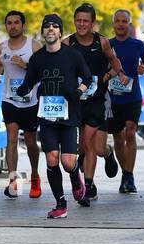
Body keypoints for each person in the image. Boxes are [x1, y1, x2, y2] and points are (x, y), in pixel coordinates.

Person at [15, 14, 91, 220]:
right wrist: (22, 90)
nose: (50, 29)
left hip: (69, 116)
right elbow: (29, 81)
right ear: (43, 31)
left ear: (59, 31)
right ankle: (60, 203)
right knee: (51, 159)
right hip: (47, 115)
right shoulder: (37, 58)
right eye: (46, 26)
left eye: (54, 26)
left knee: (67, 162)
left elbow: (87, 77)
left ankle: (76, 176)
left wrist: (79, 91)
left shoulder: (72, 54)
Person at [64, 3, 125, 205]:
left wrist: (107, 76)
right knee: (82, 145)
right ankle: (90, 180)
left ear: (93, 23)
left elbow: (116, 64)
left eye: (85, 21)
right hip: (75, 101)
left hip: (97, 100)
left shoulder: (102, 42)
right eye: (78, 20)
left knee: (94, 146)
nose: (81, 24)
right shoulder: (67, 43)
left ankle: (102, 162)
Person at [0, 9, 42, 198]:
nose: (13, 26)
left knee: (30, 142)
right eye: (9, 23)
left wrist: (25, 66)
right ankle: (12, 181)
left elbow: (41, 71)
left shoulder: (34, 45)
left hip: (30, 100)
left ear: (23, 25)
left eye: (16, 22)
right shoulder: (1, 48)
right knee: (11, 139)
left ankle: (35, 176)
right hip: (10, 99)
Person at [107, 8, 144, 193]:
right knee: (118, 136)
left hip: (132, 96)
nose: (121, 24)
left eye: (124, 21)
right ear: (113, 24)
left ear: (129, 24)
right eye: (118, 21)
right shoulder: (107, 45)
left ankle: (128, 175)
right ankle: (125, 173)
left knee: (130, 132)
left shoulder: (137, 44)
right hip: (113, 98)